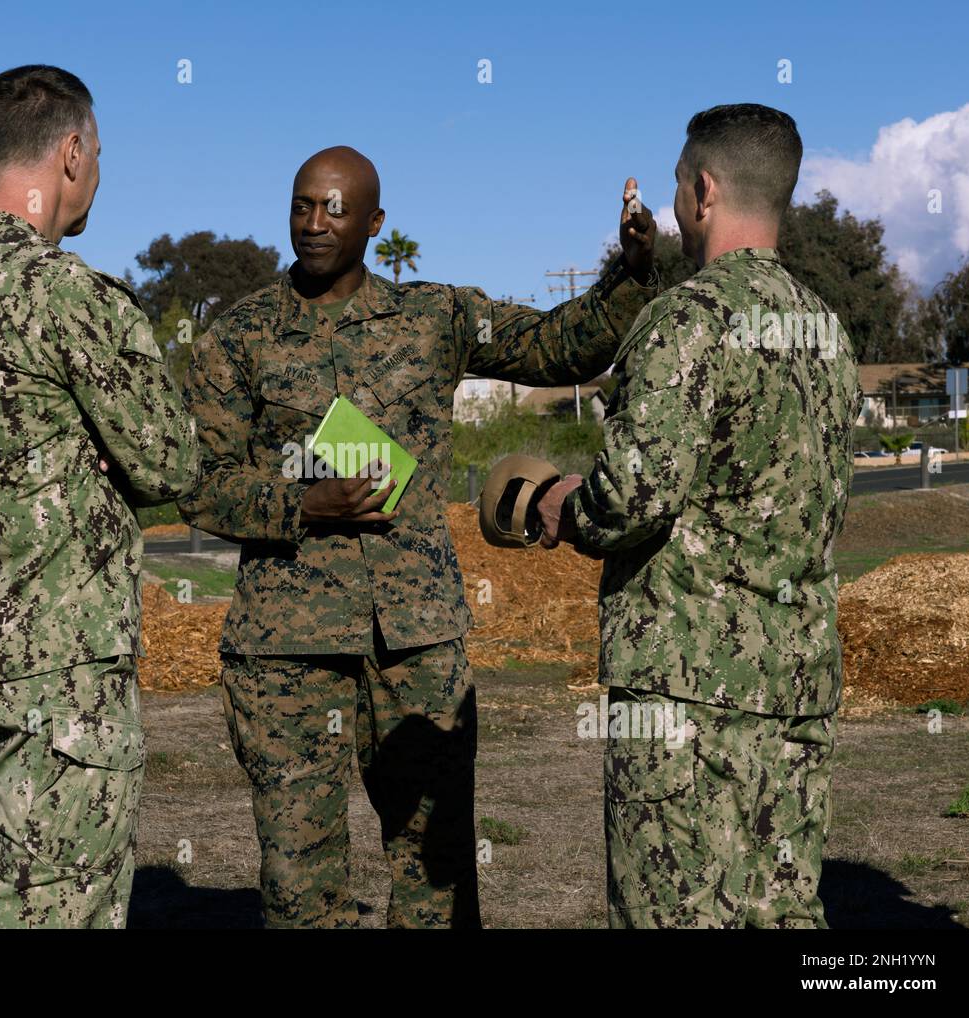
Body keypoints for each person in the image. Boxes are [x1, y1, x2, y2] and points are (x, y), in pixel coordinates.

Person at [178, 145, 658, 927]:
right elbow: (198, 482)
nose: (314, 222)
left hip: (418, 643)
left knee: (436, 873)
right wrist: (304, 503)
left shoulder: (436, 316)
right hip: (288, 653)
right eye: (302, 205)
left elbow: (559, 345)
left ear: (375, 223)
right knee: (299, 884)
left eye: (335, 208)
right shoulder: (239, 337)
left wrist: (629, 272)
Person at [537, 103, 861, 928]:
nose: (677, 205)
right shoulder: (827, 333)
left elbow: (629, 498)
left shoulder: (688, 319)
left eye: (679, 186)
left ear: (704, 190)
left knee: (673, 913)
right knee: (782, 912)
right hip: (797, 685)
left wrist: (557, 504)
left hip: (686, 691)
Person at [0, 65, 199, 928]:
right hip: (54, 674)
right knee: (57, 908)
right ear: (70, 153)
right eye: (96, 153)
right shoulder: (64, 292)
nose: (97, 171)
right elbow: (170, 463)